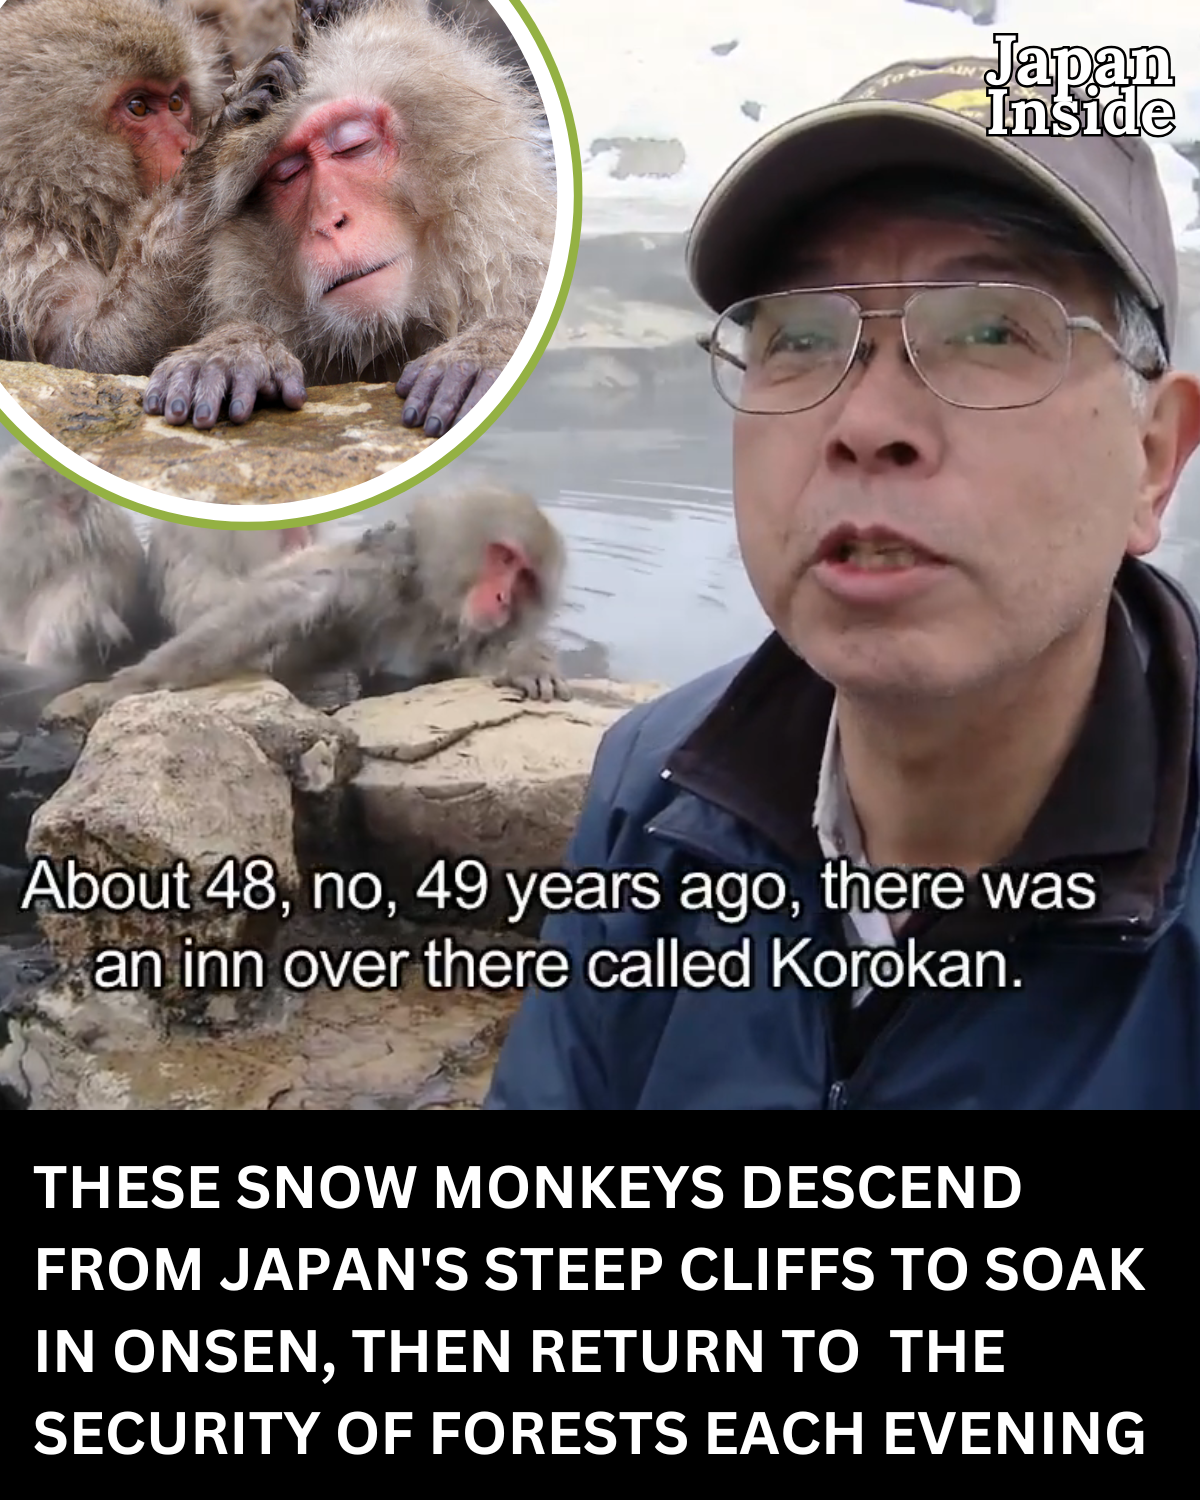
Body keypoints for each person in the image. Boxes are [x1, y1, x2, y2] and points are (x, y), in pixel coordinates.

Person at [486, 55, 1200, 1109]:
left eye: (991, 331)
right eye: (803, 338)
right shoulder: (657, 788)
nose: (868, 426)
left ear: (1153, 459)